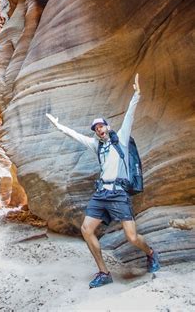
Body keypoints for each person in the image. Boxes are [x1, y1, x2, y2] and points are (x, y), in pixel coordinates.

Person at [45, 74, 161, 288]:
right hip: (101, 194)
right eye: (95, 128)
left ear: (107, 126)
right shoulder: (96, 145)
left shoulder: (122, 140)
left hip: (119, 194)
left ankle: (151, 253)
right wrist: (58, 126)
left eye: (101, 126)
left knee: (132, 237)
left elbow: (129, 116)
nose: (98, 129)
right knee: (86, 229)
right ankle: (103, 272)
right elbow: (75, 136)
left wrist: (137, 94)